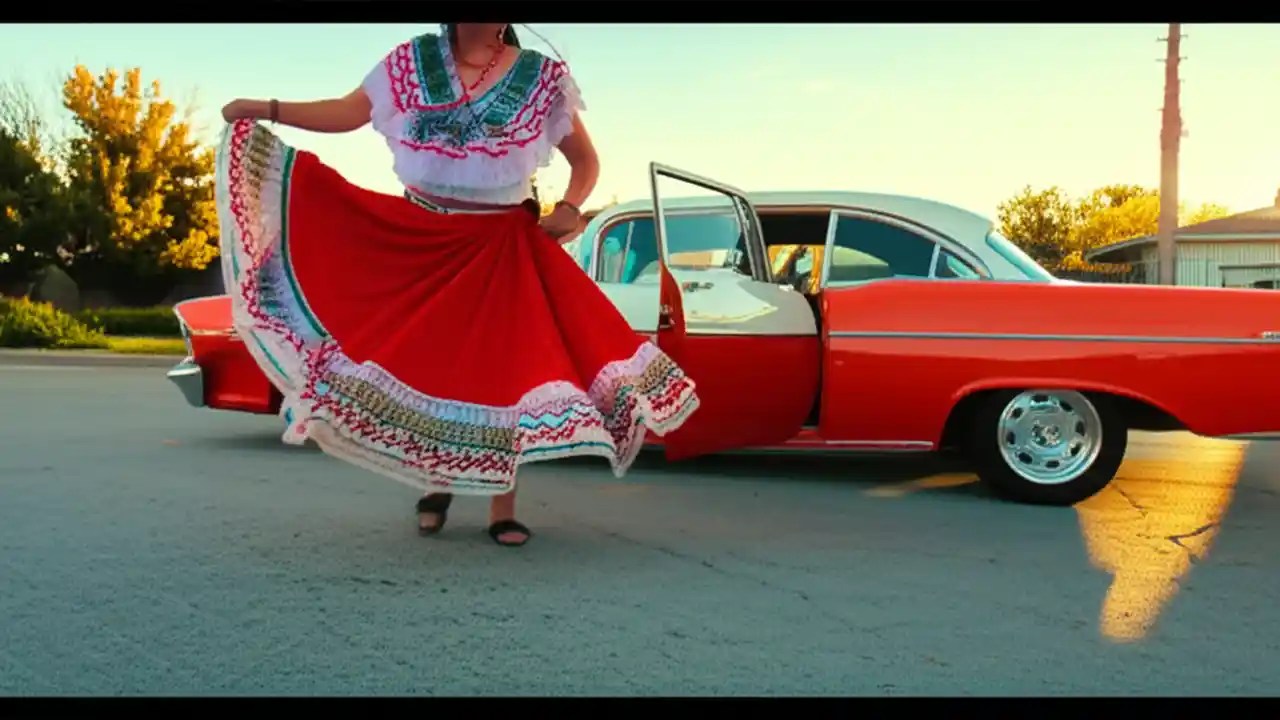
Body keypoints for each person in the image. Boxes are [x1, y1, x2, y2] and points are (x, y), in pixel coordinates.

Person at [217, 23, 699, 547]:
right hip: (418, 237)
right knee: (434, 365)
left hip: (499, 247)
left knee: (501, 370)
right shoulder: (411, 61)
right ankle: (436, 484)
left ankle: (502, 505)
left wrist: (569, 207)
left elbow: (585, 162)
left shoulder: (540, 77)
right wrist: (265, 108)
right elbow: (348, 110)